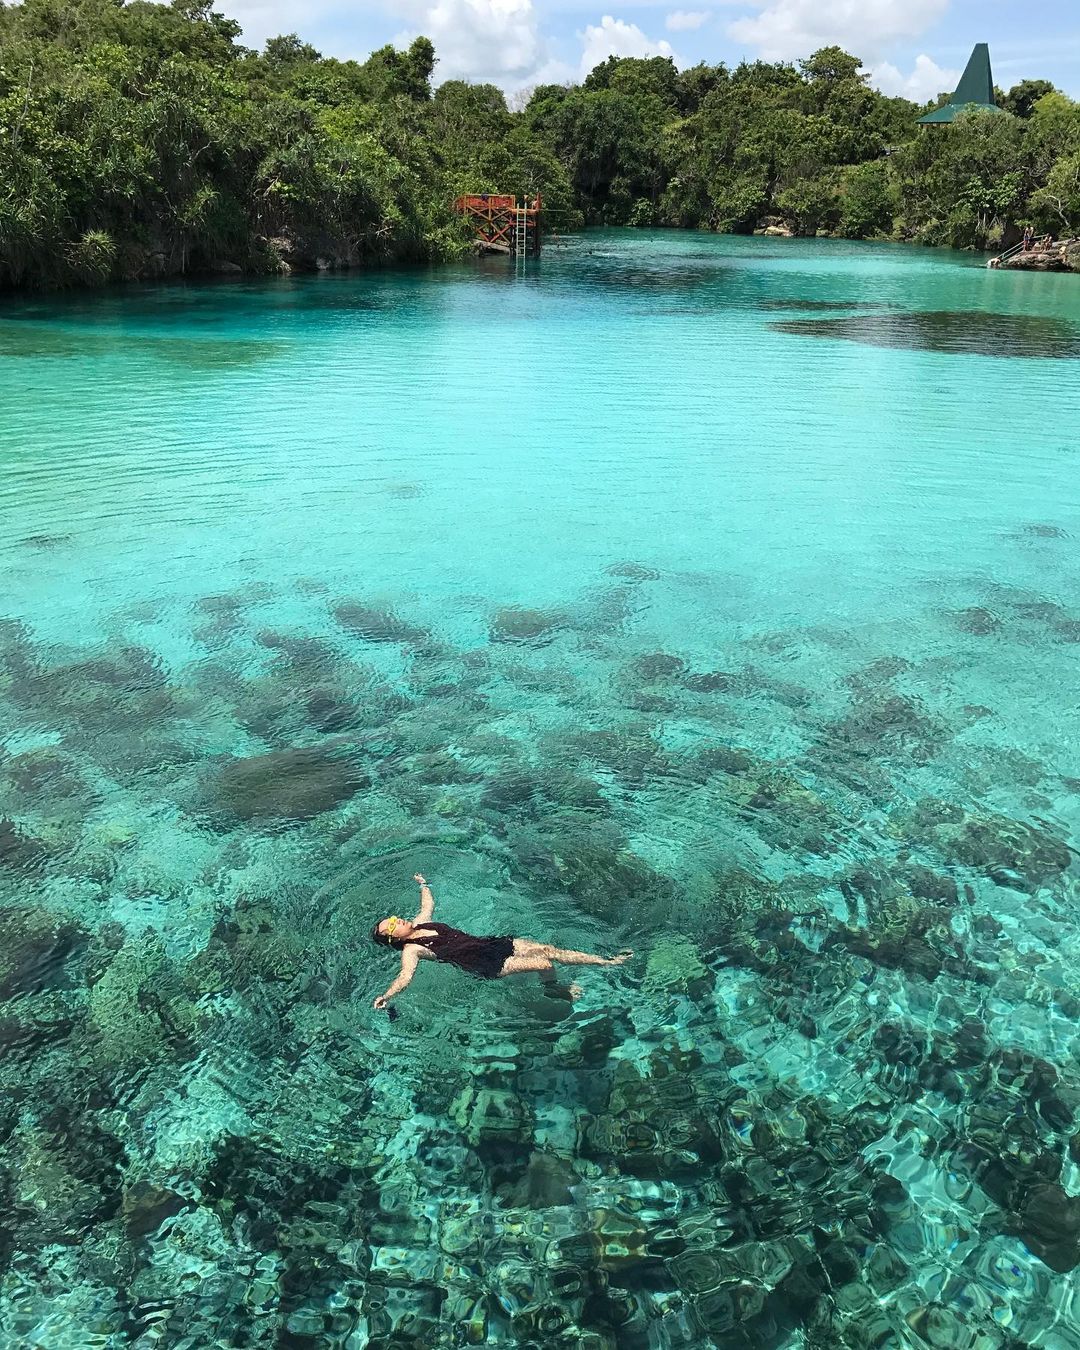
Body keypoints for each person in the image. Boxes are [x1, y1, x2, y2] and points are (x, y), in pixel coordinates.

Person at [371, 874, 632, 1010]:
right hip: (482, 963)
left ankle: (606, 962)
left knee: (547, 950)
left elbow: (428, 904)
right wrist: (387, 995)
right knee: (543, 962)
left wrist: (423, 884)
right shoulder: (412, 949)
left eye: (393, 917)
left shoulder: (421, 923)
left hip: (488, 944)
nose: (398, 919)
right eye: (392, 924)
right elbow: (405, 977)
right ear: (393, 937)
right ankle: (553, 989)